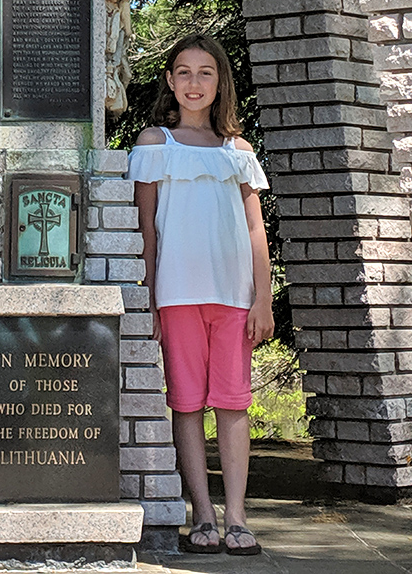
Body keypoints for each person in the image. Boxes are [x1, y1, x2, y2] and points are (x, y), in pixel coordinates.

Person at [128, 34, 274, 556]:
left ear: (220, 82)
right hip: (176, 295)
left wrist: (263, 298)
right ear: (170, 81)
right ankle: (203, 515)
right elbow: (145, 228)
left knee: (233, 405)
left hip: (234, 296)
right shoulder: (153, 144)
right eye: (184, 72)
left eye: (205, 72)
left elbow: (256, 229)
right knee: (186, 404)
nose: (194, 82)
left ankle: (237, 516)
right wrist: (146, 298)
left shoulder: (238, 151)